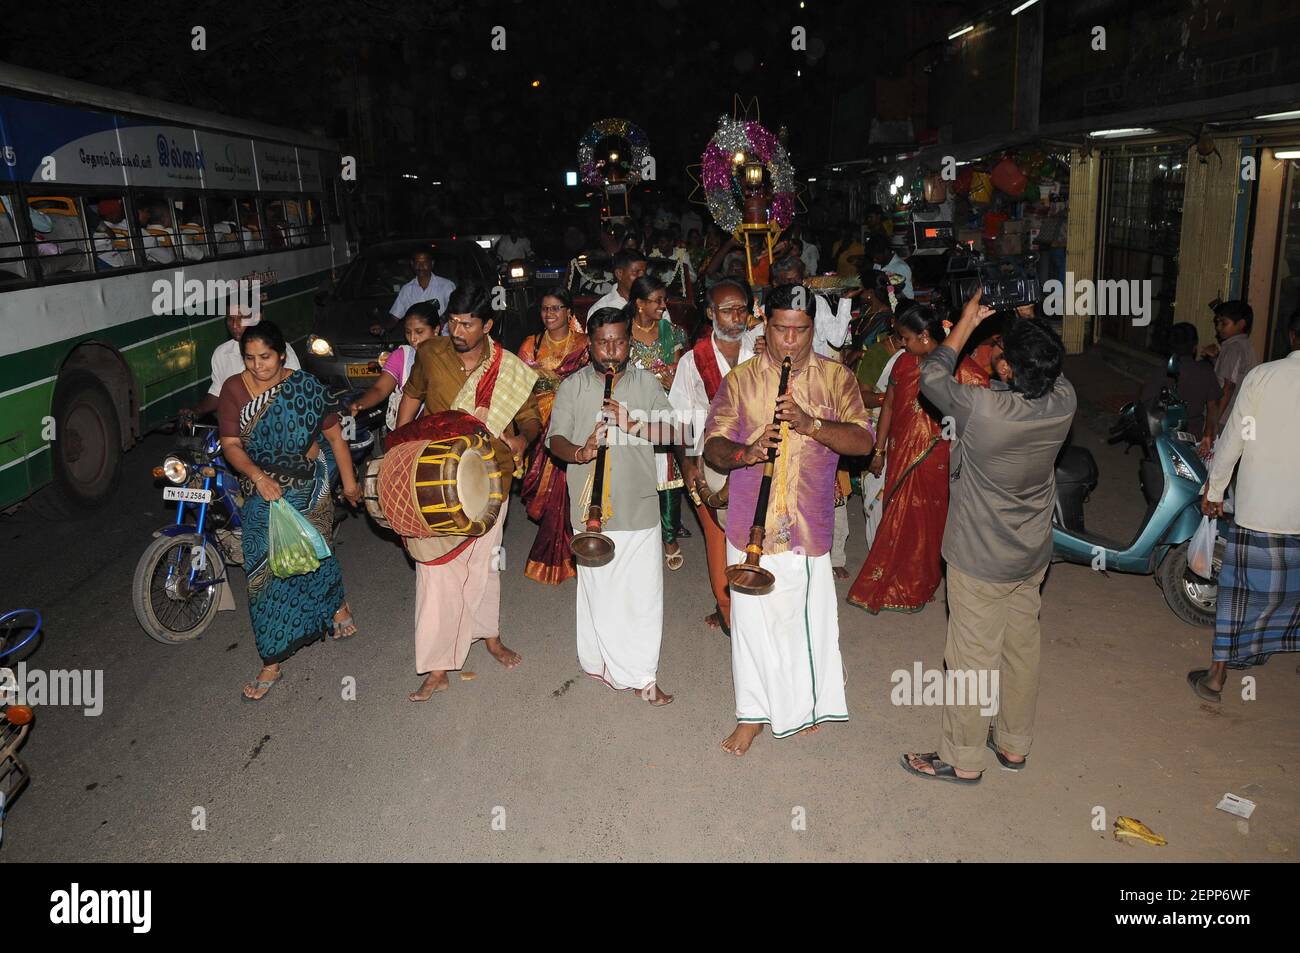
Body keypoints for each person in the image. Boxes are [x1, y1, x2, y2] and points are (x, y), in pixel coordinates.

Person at [900, 291, 1075, 784]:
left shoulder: (982, 409)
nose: (994, 352)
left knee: (972, 659)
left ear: (1004, 371)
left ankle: (963, 758)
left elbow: (932, 374)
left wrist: (968, 322)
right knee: (1022, 648)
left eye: (1000, 351)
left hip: (980, 557)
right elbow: (1048, 366)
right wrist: (1028, 322)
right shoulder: (1064, 400)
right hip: (1032, 552)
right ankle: (1014, 746)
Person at [704, 284, 874, 755]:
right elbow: (712, 446)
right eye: (780, 329)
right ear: (765, 324)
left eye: (800, 331)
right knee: (752, 622)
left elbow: (863, 443)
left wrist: (812, 424)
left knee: (805, 617)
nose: (790, 341)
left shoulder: (836, 379)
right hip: (748, 519)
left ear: (813, 329)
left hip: (806, 520)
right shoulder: (739, 380)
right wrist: (746, 451)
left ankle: (805, 703)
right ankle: (752, 714)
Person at [395, 283, 541, 701]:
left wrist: (522, 441)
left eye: (467, 323)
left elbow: (529, 417)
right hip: (437, 480)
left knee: (485, 565)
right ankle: (438, 666)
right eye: (452, 322)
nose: (457, 330)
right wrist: (398, 450)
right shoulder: (430, 354)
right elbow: (411, 398)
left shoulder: (508, 367)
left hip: (491, 479)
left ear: (487, 325)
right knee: (435, 569)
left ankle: (488, 636)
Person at [216, 321, 362, 700]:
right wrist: (257, 475)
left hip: (306, 488)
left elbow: (333, 437)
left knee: (313, 552)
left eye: (265, 357)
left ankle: (334, 604)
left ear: (281, 354)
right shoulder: (234, 389)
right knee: (263, 572)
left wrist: (349, 483)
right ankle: (272, 659)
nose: (257, 366)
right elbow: (231, 444)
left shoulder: (307, 388)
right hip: (261, 491)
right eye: (249, 358)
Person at [547, 307, 677, 706]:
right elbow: (555, 441)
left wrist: (631, 423)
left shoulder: (647, 384)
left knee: (642, 596)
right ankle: (601, 660)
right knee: (599, 593)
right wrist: (581, 451)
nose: (611, 350)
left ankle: (642, 674)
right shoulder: (573, 387)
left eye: (620, 342)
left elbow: (675, 431)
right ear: (589, 344)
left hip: (638, 506)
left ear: (630, 343)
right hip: (591, 509)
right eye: (603, 342)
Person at [847, 303, 990, 614]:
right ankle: (890, 581)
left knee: (928, 527)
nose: (902, 344)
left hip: (937, 462)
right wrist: (879, 449)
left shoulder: (966, 373)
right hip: (900, 455)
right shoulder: (904, 364)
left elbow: (981, 426)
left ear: (925, 336)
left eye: (906, 338)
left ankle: (917, 587)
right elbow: (888, 407)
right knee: (895, 520)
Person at [1188, 312, 1300, 702]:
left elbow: (1234, 437)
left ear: (1290, 334)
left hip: (1261, 510)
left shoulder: (1264, 376)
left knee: (1238, 594)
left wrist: (1214, 489)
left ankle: (1217, 677)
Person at [670, 277, 757, 635]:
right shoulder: (694, 361)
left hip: (757, 460)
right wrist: (687, 462)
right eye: (726, 309)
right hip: (712, 463)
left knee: (756, 534)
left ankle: (757, 605)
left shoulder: (763, 352)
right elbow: (677, 419)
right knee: (717, 536)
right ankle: (728, 610)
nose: (735, 317)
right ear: (710, 313)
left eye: (742, 309)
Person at [518, 288, 590, 584]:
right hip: (539, 426)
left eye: (556, 308)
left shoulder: (584, 344)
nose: (550, 314)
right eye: (545, 308)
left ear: (569, 312)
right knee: (548, 495)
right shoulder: (530, 345)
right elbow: (519, 389)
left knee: (570, 490)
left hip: (573, 426)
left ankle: (574, 553)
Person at [626, 274, 690, 568]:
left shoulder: (672, 332)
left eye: (665, 300)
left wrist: (673, 375)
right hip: (633, 411)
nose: (664, 306)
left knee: (668, 477)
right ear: (639, 304)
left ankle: (669, 536)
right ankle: (635, 534)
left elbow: (680, 368)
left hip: (665, 408)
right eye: (657, 301)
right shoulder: (623, 332)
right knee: (635, 475)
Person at [185, 306, 301, 419]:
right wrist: (197, 411)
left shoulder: (278, 350)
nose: (235, 325)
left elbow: (295, 395)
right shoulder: (222, 353)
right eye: (231, 318)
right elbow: (219, 391)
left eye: (242, 317)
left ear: (257, 317)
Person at [348, 301, 440, 430]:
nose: (413, 338)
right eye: (408, 332)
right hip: (410, 428)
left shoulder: (450, 354)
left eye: (419, 332)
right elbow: (380, 389)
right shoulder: (402, 356)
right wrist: (361, 403)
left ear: (436, 329)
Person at [1139, 322, 1220, 440]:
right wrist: (1208, 435)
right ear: (1194, 347)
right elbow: (1212, 407)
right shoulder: (1206, 371)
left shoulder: (1162, 371)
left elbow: (1145, 402)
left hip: (1166, 435)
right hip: (1194, 435)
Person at [1200, 300, 1259, 454]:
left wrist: (1212, 425)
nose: (1218, 328)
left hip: (1225, 417)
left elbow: (1228, 387)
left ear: (1240, 324)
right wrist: (1216, 359)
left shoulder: (1235, 348)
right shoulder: (1241, 346)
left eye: (1224, 323)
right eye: (1217, 323)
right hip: (1233, 415)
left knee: (1212, 460)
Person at [370, 248, 455, 337]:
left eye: (424, 262)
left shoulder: (446, 286)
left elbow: (454, 309)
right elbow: (394, 318)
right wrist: (383, 327)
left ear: (432, 263)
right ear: (412, 264)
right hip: (417, 342)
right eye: (417, 262)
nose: (421, 266)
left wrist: (438, 321)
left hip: (442, 340)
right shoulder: (407, 290)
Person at [588, 247, 647, 317]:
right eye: (636, 272)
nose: (642, 277)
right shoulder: (602, 308)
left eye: (644, 272)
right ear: (619, 274)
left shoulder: (653, 303)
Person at [866, 234, 913, 298]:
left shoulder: (901, 267)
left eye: (877, 258)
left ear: (886, 251)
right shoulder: (878, 265)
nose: (874, 260)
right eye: (873, 258)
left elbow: (908, 297)